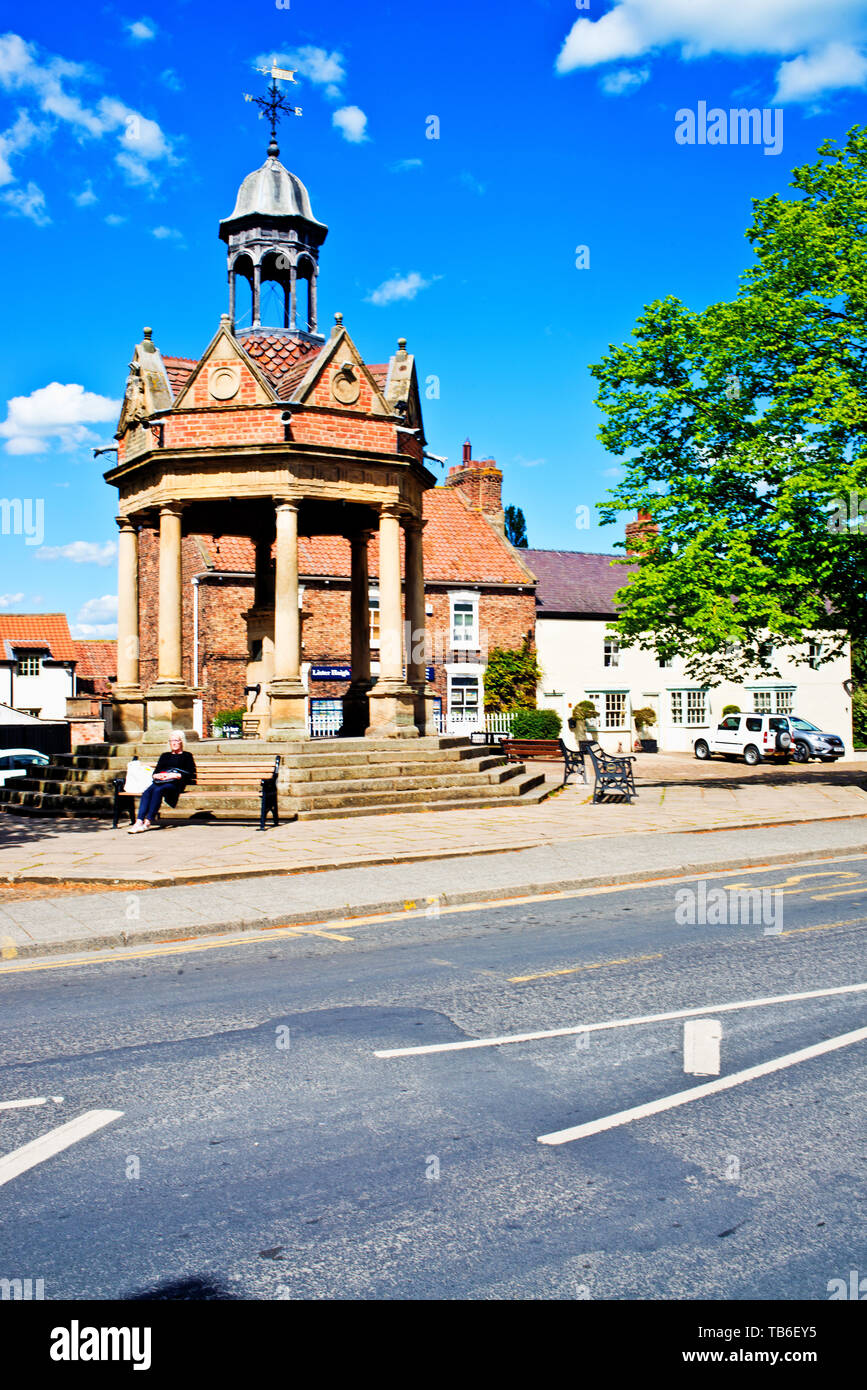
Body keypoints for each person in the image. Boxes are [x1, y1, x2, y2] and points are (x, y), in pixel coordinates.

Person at [128, 733, 197, 833]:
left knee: (158, 790)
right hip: (161, 781)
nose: (174, 743)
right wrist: (157, 775)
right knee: (147, 791)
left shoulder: (187, 756)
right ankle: (139, 821)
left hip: (175, 783)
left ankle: (148, 822)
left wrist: (176, 775)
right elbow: (156, 771)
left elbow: (191, 774)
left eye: (176, 740)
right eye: (171, 741)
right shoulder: (165, 756)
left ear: (181, 742)